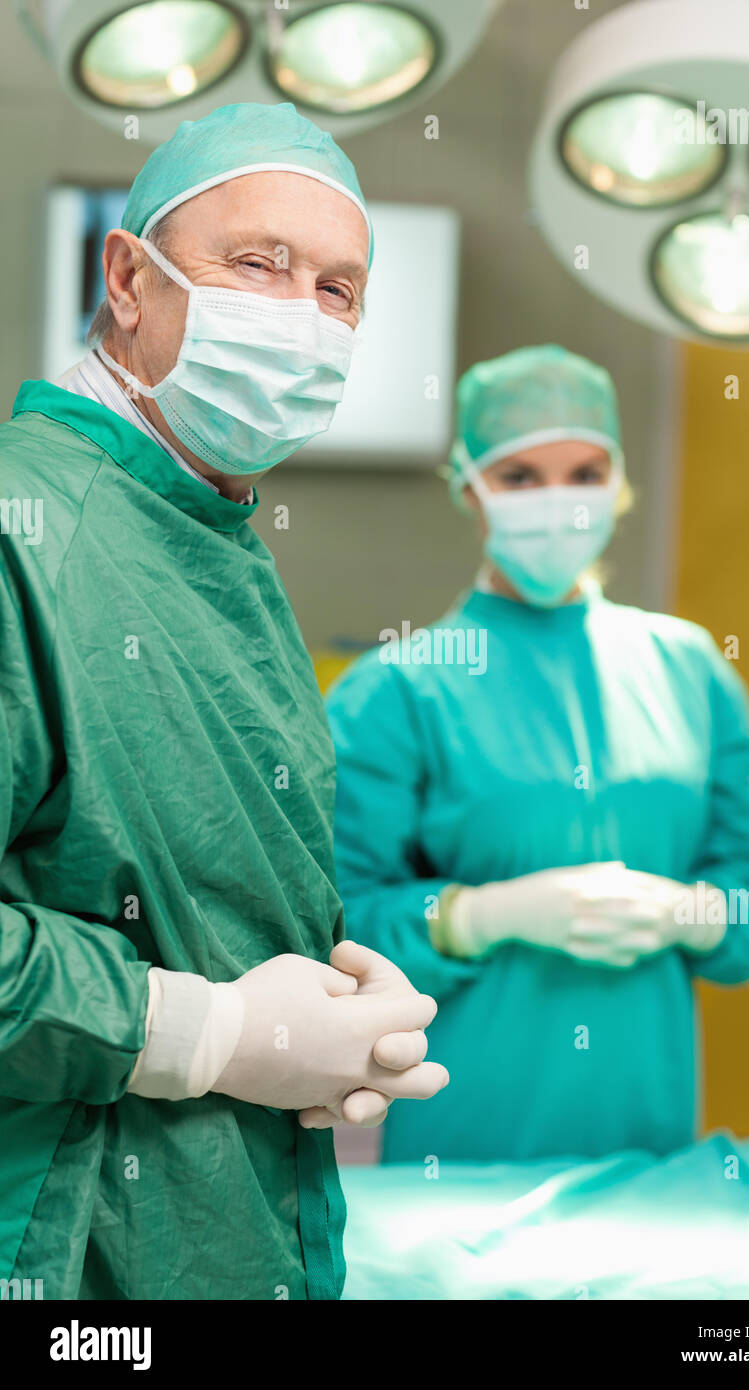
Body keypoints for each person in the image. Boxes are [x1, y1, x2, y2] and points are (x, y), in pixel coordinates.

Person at [0, 102, 447, 1301]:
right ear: (128, 278)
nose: (301, 317)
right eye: (259, 264)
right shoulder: (25, 532)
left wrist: (340, 1002)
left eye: (338, 290)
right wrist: (206, 1034)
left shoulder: (208, 534)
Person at [326, 344, 749, 1164]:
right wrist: (477, 919)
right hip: (462, 1151)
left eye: (584, 470)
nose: (558, 500)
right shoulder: (396, 690)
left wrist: (695, 912)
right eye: (521, 477)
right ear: (470, 488)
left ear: (619, 484)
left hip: (650, 1148)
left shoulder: (689, 669)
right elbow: (336, 928)